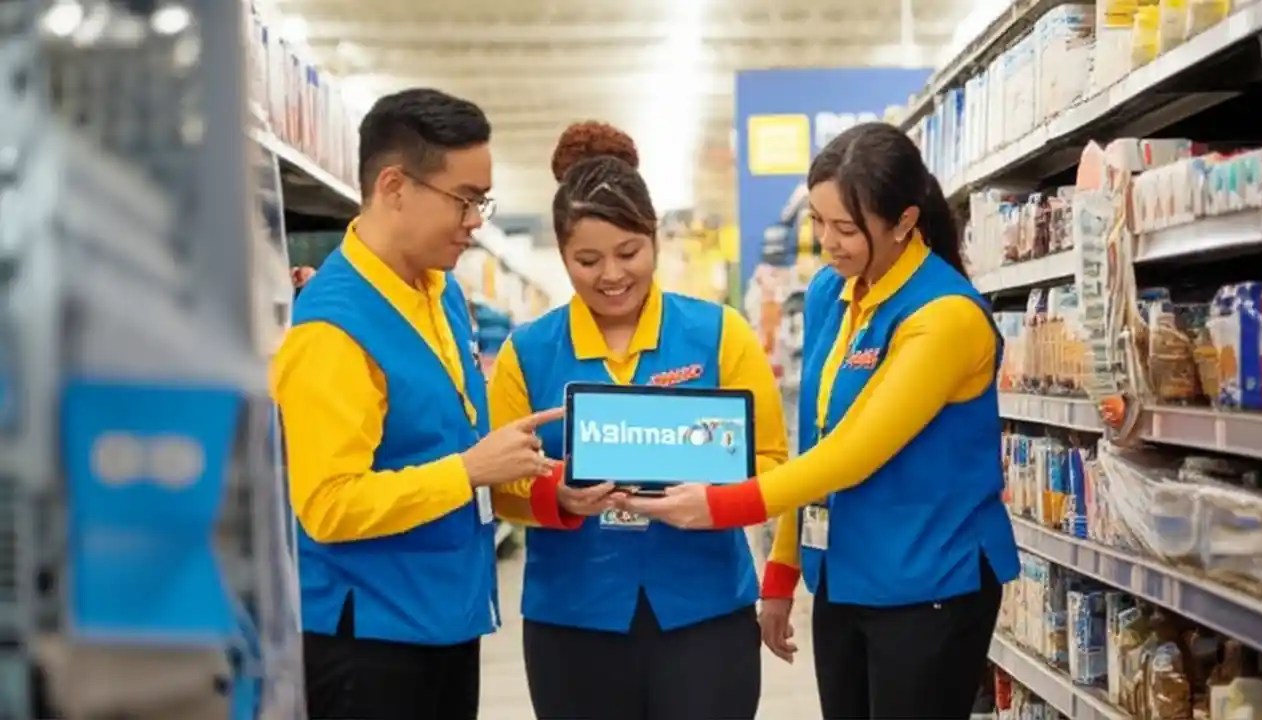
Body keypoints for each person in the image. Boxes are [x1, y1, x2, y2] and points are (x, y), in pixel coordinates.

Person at [625, 121, 1021, 720]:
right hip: (844, 576)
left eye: (845, 227)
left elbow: (854, 453)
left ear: (905, 221)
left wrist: (723, 505)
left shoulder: (946, 317)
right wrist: (782, 572)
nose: (827, 242)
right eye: (817, 221)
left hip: (930, 584)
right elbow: (814, 443)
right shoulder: (830, 297)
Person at [270, 88, 562, 720]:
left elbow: (440, 440)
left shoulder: (442, 292)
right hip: (370, 643)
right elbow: (327, 506)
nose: (476, 219)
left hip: (443, 619)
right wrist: (469, 470)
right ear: (395, 187)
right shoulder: (332, 333)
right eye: (464, 199)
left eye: (481, 200)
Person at [487, 121, 790, 720]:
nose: (611, 275)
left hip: (703, 612)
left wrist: (713, 497)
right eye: (587, 260)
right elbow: (500, 488)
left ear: (653, 238)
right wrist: (559, 497)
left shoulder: (719, 334)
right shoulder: (528, 353)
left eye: (629, 252)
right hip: (573, 620)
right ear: (561, 254)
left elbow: (773, 464)